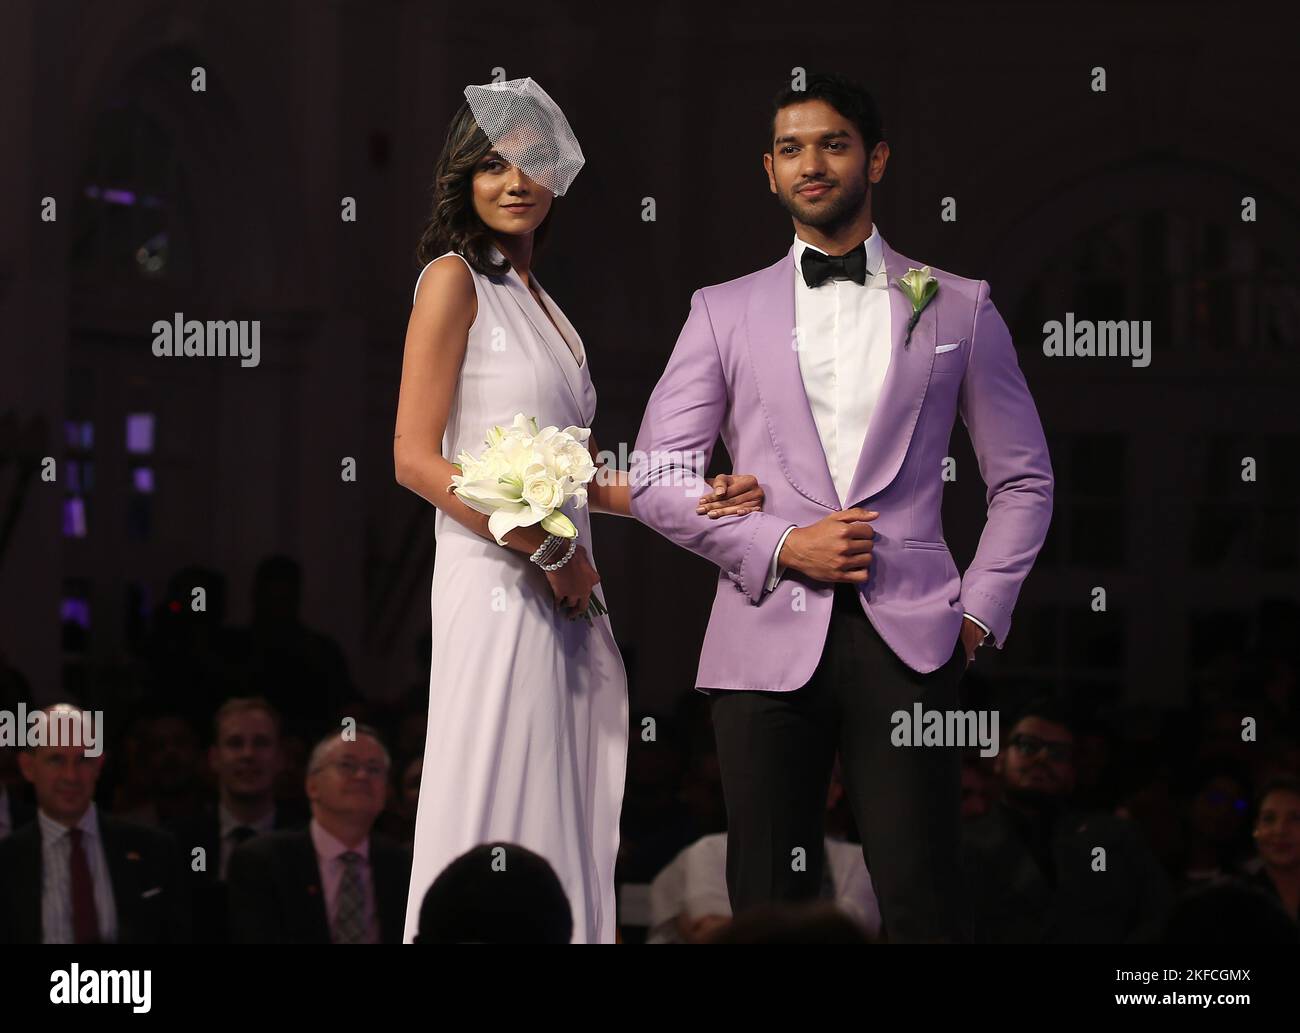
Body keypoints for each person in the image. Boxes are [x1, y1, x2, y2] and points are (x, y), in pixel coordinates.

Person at [629, 72, 1054, 942]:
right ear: (768, 170)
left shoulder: (960, 304)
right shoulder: (722, 309)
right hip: (760, 636)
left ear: (877, 157)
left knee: (924, 896)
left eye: (832, 143)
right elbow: (654, 478)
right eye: (790, 148)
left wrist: (976, 613)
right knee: (767, 903)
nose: (810, 163)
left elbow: (1023, 479)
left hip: (915, 635)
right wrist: (783, 543)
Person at [392, 77, 767, 943]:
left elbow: (576, 470)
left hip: (562, 586)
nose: (515, 181)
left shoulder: (542, 303)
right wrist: (548, 551)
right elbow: (414, 458)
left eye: (532, 162)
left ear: (558, 175)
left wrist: (692, 490)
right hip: (497, 583)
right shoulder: (453, 281)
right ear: (462, 177)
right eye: (492, 164)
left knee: (564, 783)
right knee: (496, 778)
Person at [960, 702, 1172, 942]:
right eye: (1028, 746)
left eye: (1058, 753)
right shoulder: (958, 843)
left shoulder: (1114, 837)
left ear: (1073, 772)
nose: (1042, 758)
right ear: (999, 760)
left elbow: (1156, 914)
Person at [0, 703, 190, 944]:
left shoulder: (155, 849)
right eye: (56, 760)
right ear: (28, 767)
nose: (71, 776)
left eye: (83, 760)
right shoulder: (6, 863)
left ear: (99, 765)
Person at [226, 726, 411, 943]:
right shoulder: (263, 860)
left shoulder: (402, 864)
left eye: (374, 769)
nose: (362, 775)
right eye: (347, 765)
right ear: (312, 785)